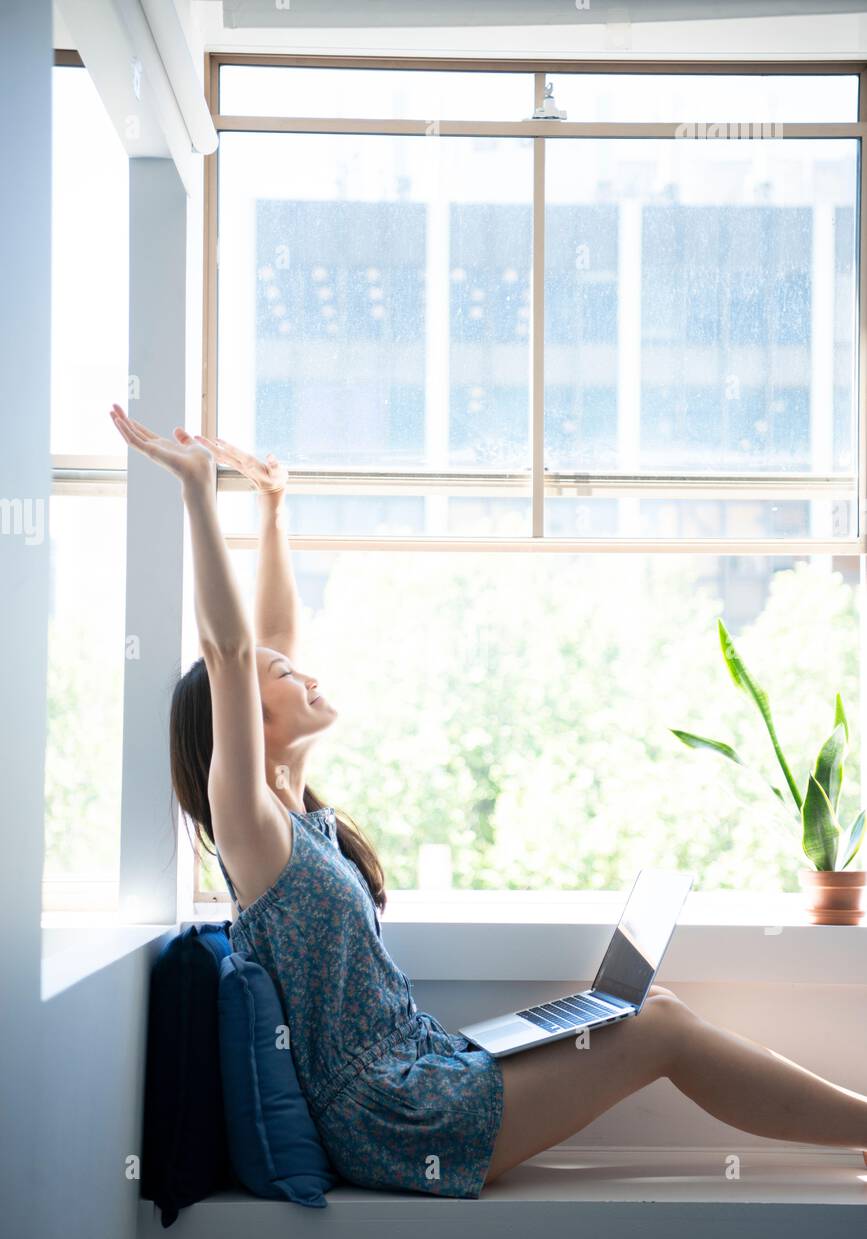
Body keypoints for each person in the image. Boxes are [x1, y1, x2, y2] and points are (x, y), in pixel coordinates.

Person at [110, 404, 867, 1197]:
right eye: (282, 679)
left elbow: (266, 638)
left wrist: (271, 509)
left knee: (653, 1005)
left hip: (423, 1070)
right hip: (393, 1118)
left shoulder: (295, 814)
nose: (304, 673)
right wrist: (197, 492)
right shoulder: (252, 832)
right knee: (663, 1029)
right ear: (245, 725)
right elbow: (232, 652)